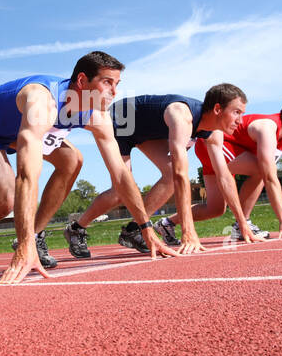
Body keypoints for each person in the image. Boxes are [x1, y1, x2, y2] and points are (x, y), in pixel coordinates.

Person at [0, 51, 180, 284]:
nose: (115, 92)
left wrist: (146, 229)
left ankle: (35, 234)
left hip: (23, 127)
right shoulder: (43, 102)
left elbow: (120, 174)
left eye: (117, 84)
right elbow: (27, 176)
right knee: (6, 199)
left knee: (72, 160)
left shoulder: (97, 115)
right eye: (107, 83)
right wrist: (23, 247)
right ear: (82, 81)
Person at [65, 84, 248, 257]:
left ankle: (134, 229)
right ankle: (77, 228)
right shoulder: (182, 115)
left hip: (145, 132)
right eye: (236, 113)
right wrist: (188, 230)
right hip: (122, 120)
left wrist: (243, 224)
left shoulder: (214, 132)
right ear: (217, 109)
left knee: (168, 176)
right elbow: (180, 174)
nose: (239, 121)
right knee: (121, 191)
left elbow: (224, 176)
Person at [165, 96, 282, 243]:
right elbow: (270, 177)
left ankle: (167, 224)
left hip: (232, 153)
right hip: (214, 144)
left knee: (215, 209)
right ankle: (242, 223)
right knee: (262, 170)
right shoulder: (267, 127)